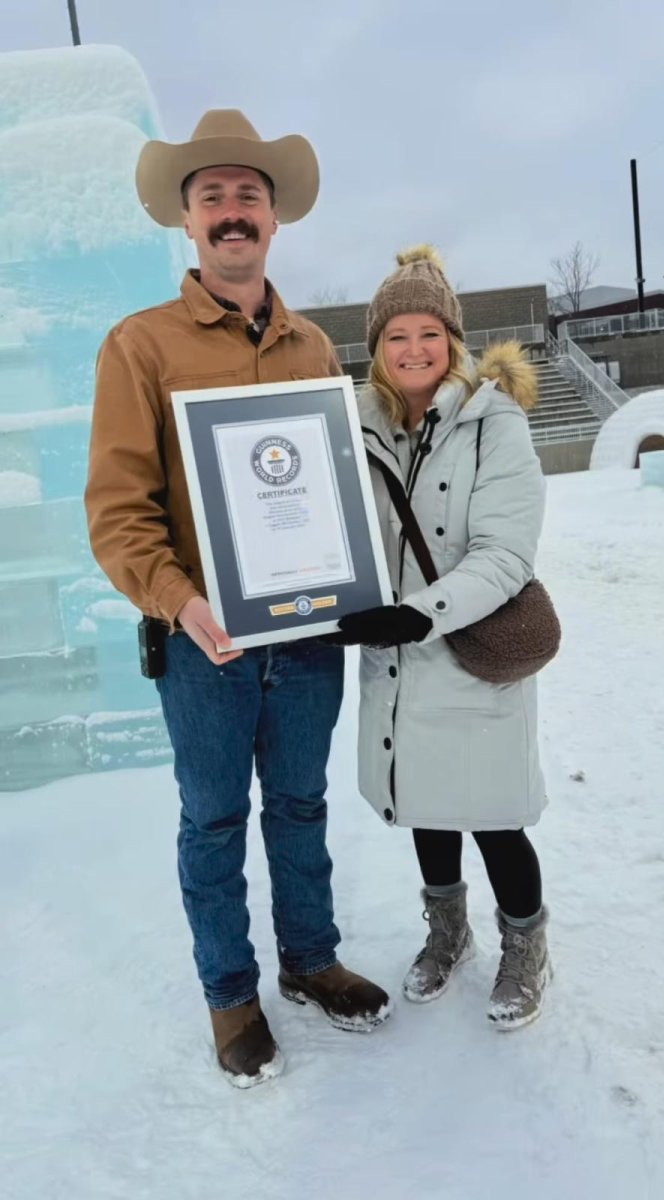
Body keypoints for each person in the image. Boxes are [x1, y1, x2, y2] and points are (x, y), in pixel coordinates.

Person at [85, 110, 390, 1089]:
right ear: (187, 217)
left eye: (247, 195)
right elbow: (118, 511)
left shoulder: (310, 348)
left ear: (272, 218)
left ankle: (310, 961)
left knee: (298, 807)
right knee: (213, 821)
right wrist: (178, 600)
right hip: (201, 644)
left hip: (308, 640)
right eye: (211, 194)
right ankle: (231, 995)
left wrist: (354, 581)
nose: (231, 210)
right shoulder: (139, 347)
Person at [334, 245, 552, 1029]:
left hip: (467, 649)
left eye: (428, 332)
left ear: (451, 341)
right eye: (397, 336)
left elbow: (504, 555)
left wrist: (418, 614)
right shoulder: (353, 425)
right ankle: (446, 929)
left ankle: (525, 947)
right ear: (377, 348)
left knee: (493, 815)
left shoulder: (496, 423)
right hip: (395, 660)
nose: (414, 349)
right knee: (425, 806)